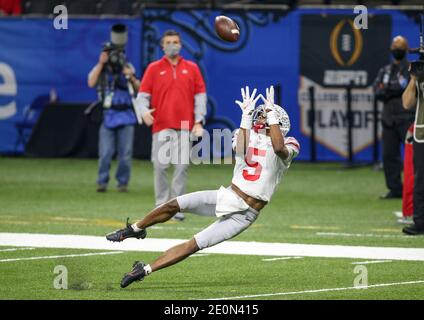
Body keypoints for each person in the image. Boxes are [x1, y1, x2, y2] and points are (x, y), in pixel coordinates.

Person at [106, 86, 300, 288]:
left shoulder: (290, 143)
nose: (260, 119)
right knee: (174, 204)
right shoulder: (246, 135)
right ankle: (136, 229)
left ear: (276, 121)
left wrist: (271, 114)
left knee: (193, 245)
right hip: (228, 196)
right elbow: (240, 148)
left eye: (263, 116)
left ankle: (143, 270)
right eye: (258, 116)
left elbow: (278, 148)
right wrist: (245, 116)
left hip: (245, 214)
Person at [134, 30, 207, 221]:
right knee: (160, 166)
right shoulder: (153, 68)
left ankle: (176, 206)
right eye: (168, 42)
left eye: (175, 42)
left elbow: (200, 96)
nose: (172, 45)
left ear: (180, 45)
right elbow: (142, 96)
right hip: (161, 124)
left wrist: (198, 120)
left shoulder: (191, 68)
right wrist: (143, 111)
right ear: (162, 46)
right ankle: (160, 206)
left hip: (185, 125)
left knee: (182, 166)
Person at [88, 24, 140, 193]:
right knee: (105, 152)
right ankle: (102, 182)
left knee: (125, 154)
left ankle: (122, 183)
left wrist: (129, 76)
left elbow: (140, 88)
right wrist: (100, 63)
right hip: (108, 114)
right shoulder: (101, 69)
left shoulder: (127, 66)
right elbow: (91, 82)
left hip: (126, 113)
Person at [373, 36, 415, 199]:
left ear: (405, 50)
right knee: (389, 155)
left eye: (400, 47)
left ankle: (413, 190)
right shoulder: (385, 70)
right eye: (394, 46)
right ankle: (395, 188)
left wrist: (388, 89)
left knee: (412, 156)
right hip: (388, 118)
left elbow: (406, 89)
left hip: (407, 118)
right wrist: (393, 89)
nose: (396, 49)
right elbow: (377, 90)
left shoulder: (411, 69)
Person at [402, 64, 424, 235]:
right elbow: (407, 103)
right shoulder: (420, 76)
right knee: (420, 179)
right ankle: (420, 221)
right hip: (421, 133)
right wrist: (414, 79)